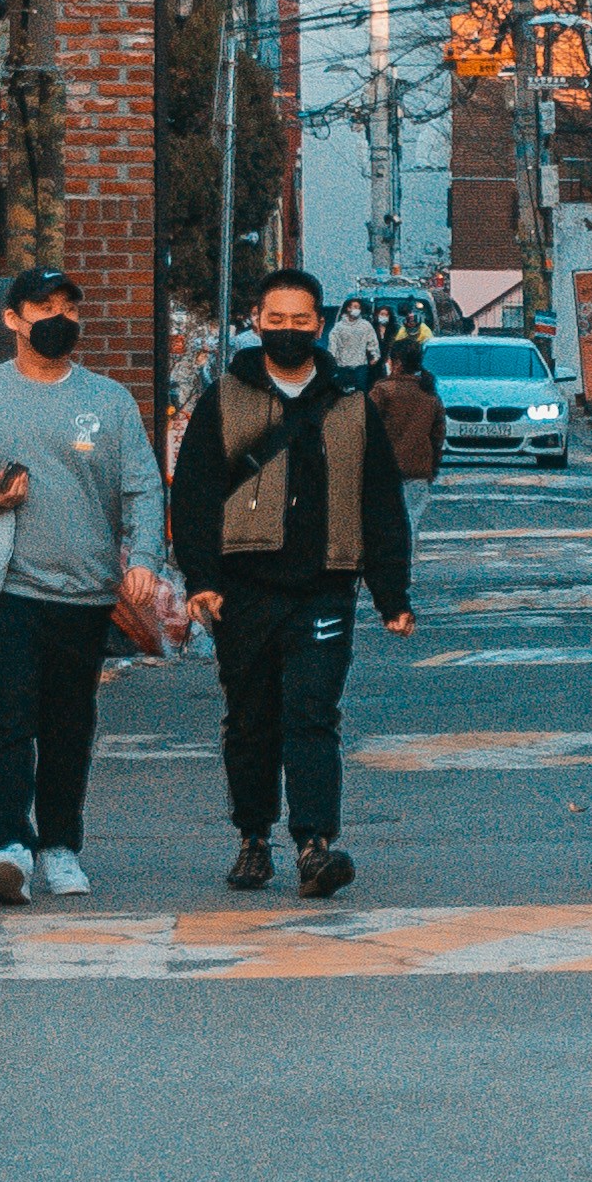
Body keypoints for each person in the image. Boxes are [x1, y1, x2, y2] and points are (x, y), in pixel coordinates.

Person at [0, 263, 169, 910]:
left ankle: (60, 846)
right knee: (8, 717)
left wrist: (143, 556)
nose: (59, 318)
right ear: (12, 319)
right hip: (2, 590)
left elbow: (142, 485)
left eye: (68, 307)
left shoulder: (108, 401)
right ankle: (9, 846)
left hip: (84, 594)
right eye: (43, 306)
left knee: (68, 724)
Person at [170, 264, 415, 898]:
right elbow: (195, 495)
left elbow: (381, 501)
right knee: (250, 720)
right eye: (274, 320)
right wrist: (201, 579)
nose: (286, 330)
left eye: (299, 320)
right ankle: (253, 837)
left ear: (320, 322)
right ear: (256, 322)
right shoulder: (226, 399)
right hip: (242, 589)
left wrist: (392, 594)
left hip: (324, 587)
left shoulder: (350, 401)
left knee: (313, 715)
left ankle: (315, 845)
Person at [371, 328, 446, 486]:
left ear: (396, 363)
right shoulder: (429, 392)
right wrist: (432, 467)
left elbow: (366, 428)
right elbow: (438, 436)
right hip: (419, 471)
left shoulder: (383, 390)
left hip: (386, 470)